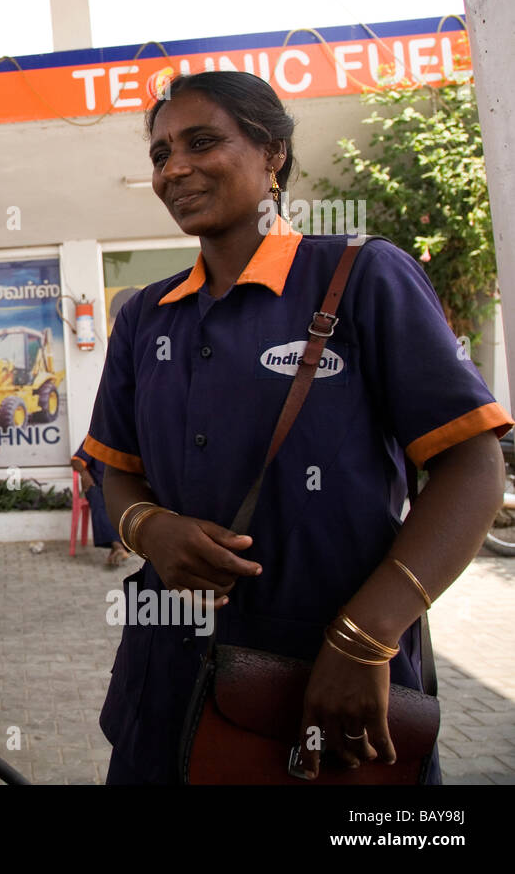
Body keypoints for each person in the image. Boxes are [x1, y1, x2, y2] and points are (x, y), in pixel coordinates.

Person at [82, 70, 512, 784]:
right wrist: (150, 530)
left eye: (201, 141)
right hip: (165, 681)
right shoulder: (145, 317)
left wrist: (366, 637)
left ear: (273, 152)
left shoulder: (360, 275)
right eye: (160, 154)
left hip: (330, 682)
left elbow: (472, 465)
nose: (174, 167)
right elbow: (114, 468)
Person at [70, 448, 130, 565]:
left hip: (118, 488)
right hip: (96, 485)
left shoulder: (125, 440)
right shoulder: (97, 438)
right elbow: (76, 460)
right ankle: (117, 545)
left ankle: (118, 549)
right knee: (98, 500)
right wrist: (84, 474)